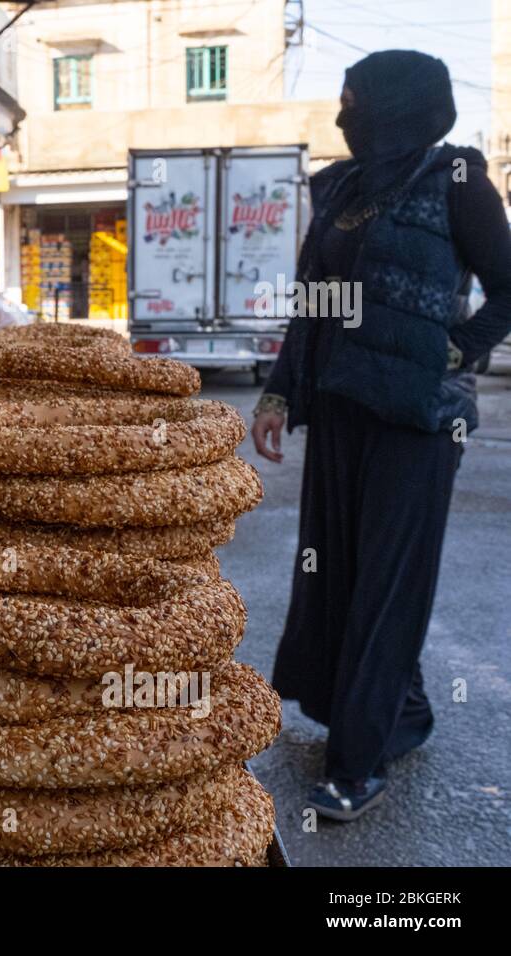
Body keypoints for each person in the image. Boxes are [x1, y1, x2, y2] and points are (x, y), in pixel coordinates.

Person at [252, 51, 511, 821]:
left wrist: (457, 349)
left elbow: (507, 287)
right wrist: (275, 394)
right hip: (337, 411)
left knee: (387, 587)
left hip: (418, 421)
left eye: (354, 102)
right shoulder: (341, 189)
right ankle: (403, 711)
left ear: (399, 104)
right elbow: (315, 303)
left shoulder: (456, 179)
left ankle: (357, 764)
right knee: (335, 576)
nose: (342, 116)